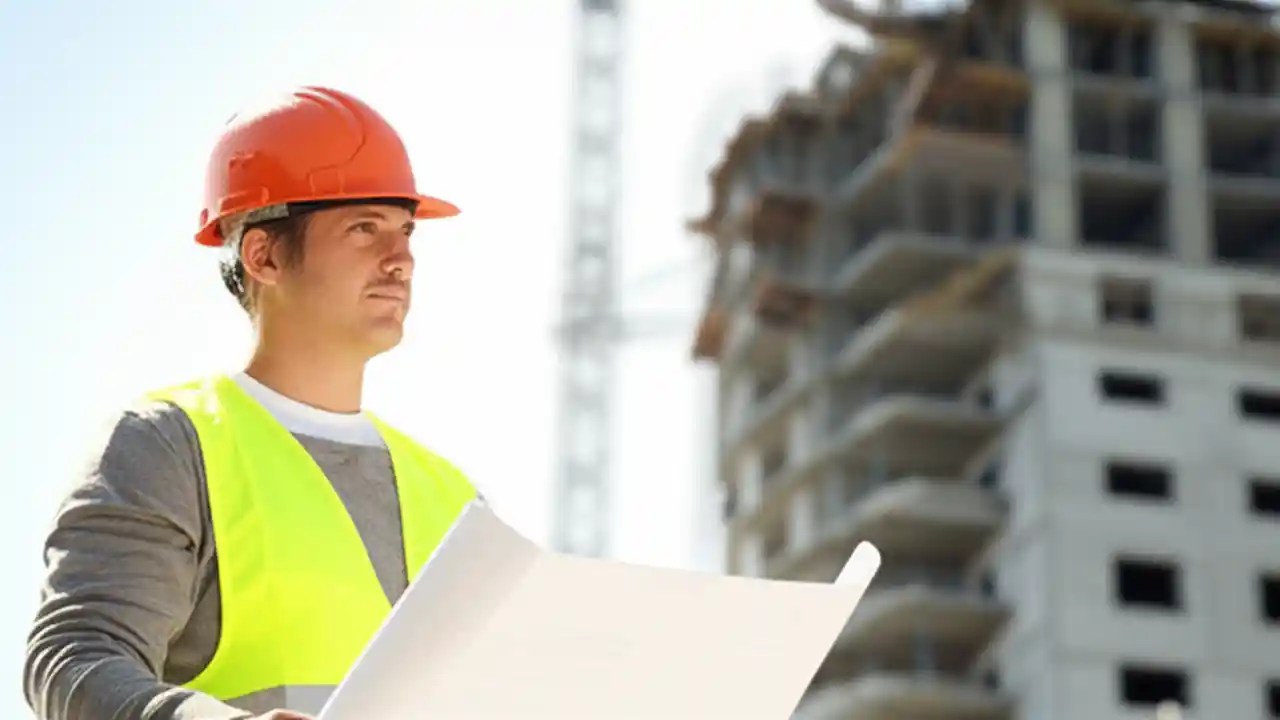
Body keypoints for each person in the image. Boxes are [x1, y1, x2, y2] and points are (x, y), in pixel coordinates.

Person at [24, 87, 483, 720]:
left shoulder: (457, 500)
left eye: (405, 232)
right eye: (363, 229)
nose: (401, 260)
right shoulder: (170, 446)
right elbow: (74, 664)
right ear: (263, 256)